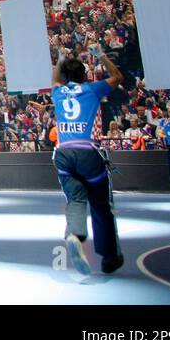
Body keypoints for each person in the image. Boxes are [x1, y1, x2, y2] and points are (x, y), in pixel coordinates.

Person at [38, 48, 125, 276]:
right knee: (100, 205)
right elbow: (118, 77)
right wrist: (102, 57)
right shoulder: (92, 89)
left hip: (64, 154)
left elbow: (55, 78)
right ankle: (108, 257)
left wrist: (60, 60)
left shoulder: (57, 93)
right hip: (87, 152)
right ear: (84, 75)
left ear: (65, 77)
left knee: (76, 198)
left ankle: (75, 234)